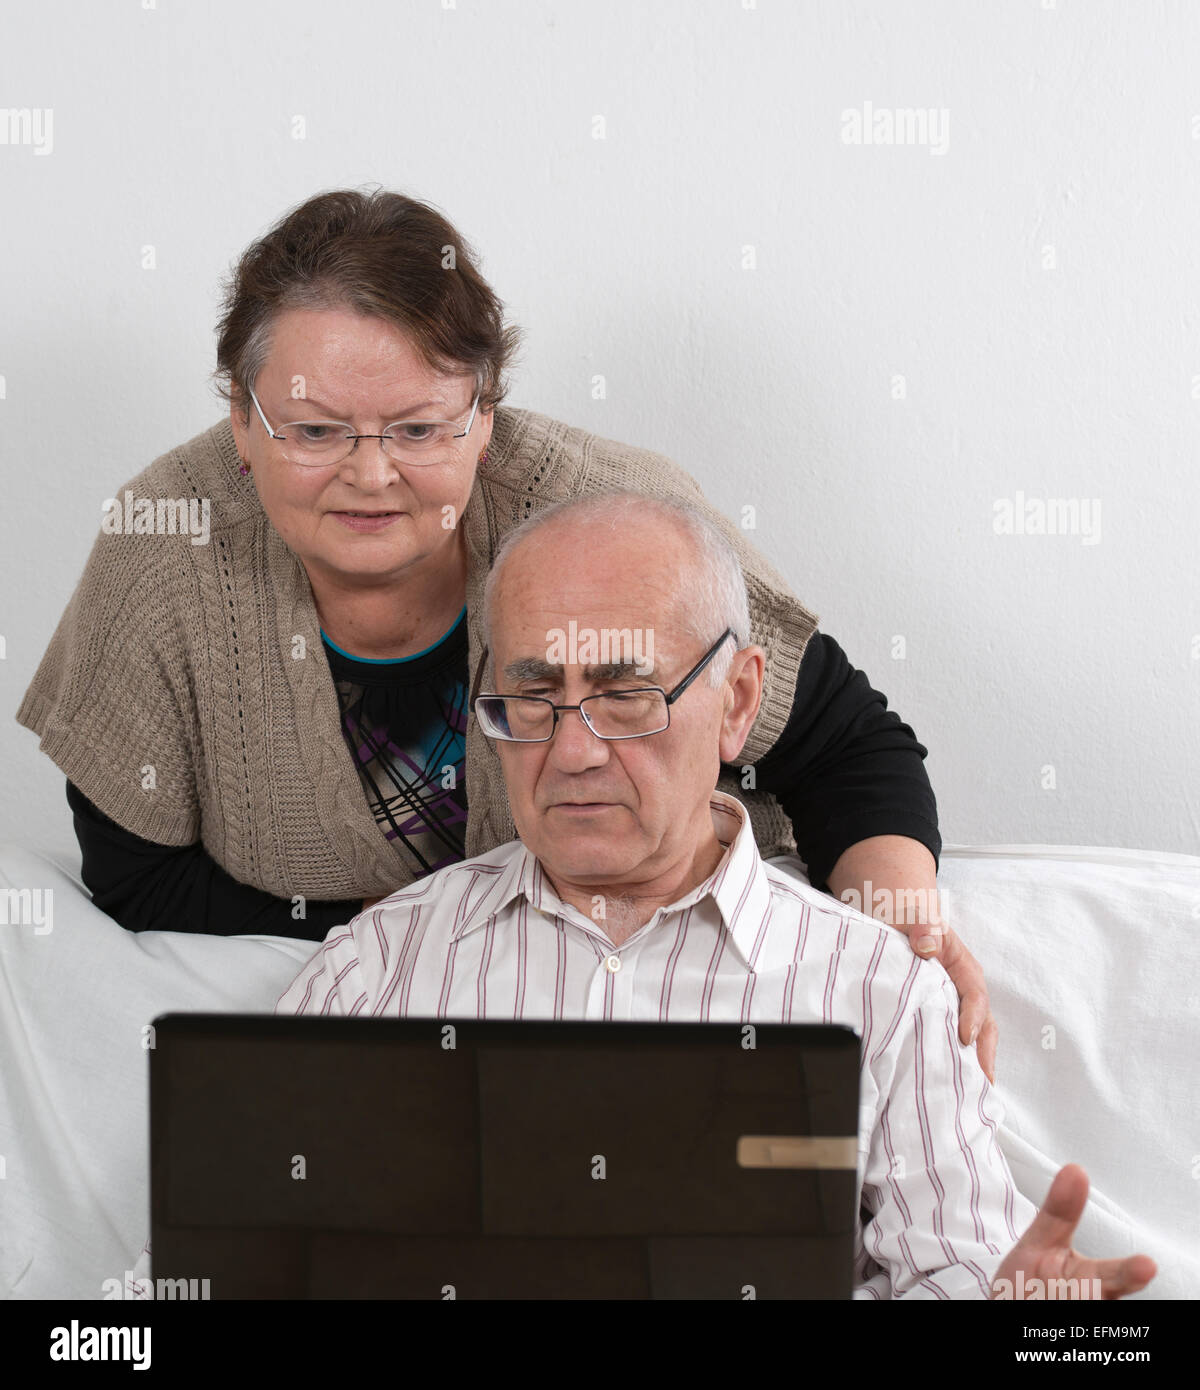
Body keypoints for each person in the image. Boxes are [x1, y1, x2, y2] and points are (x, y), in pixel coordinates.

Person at [16, 186, 994, 1078]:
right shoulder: (163, 544)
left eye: (420, 428)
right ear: (241, 418)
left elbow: (849, 746)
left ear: (486, 416)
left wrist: (902, 923)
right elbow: (136, 873)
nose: (370, 475)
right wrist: (393, 942)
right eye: (313, 432)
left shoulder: (615, 520)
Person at [276, 492, 1156, 1300]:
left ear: (737, 702)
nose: (573, 752)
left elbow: (953, 1272)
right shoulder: (375, 972)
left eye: (625, 696)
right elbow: (236, 1262)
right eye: (534, 698)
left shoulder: (878, 994)